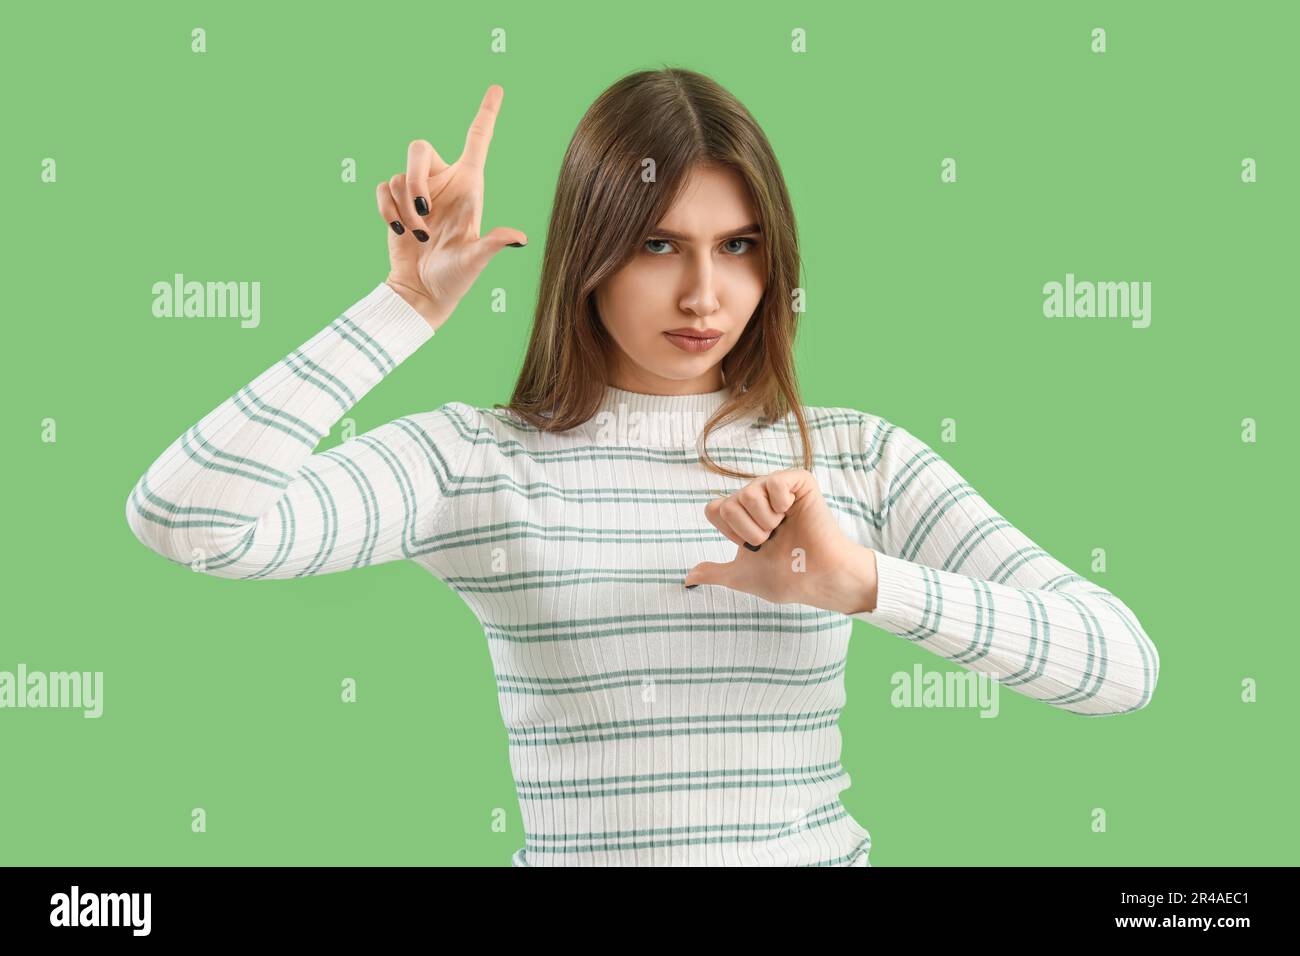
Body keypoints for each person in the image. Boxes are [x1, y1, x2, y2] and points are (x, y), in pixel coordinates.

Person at [125, 71, 1160, 867]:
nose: (707, 293)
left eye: (741, 245)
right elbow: (189, 520)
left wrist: (862, 583)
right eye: (661, 246)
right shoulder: (476, 459)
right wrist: (407, 307)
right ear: (591, 253)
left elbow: (1122, 667)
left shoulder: (851, 453)